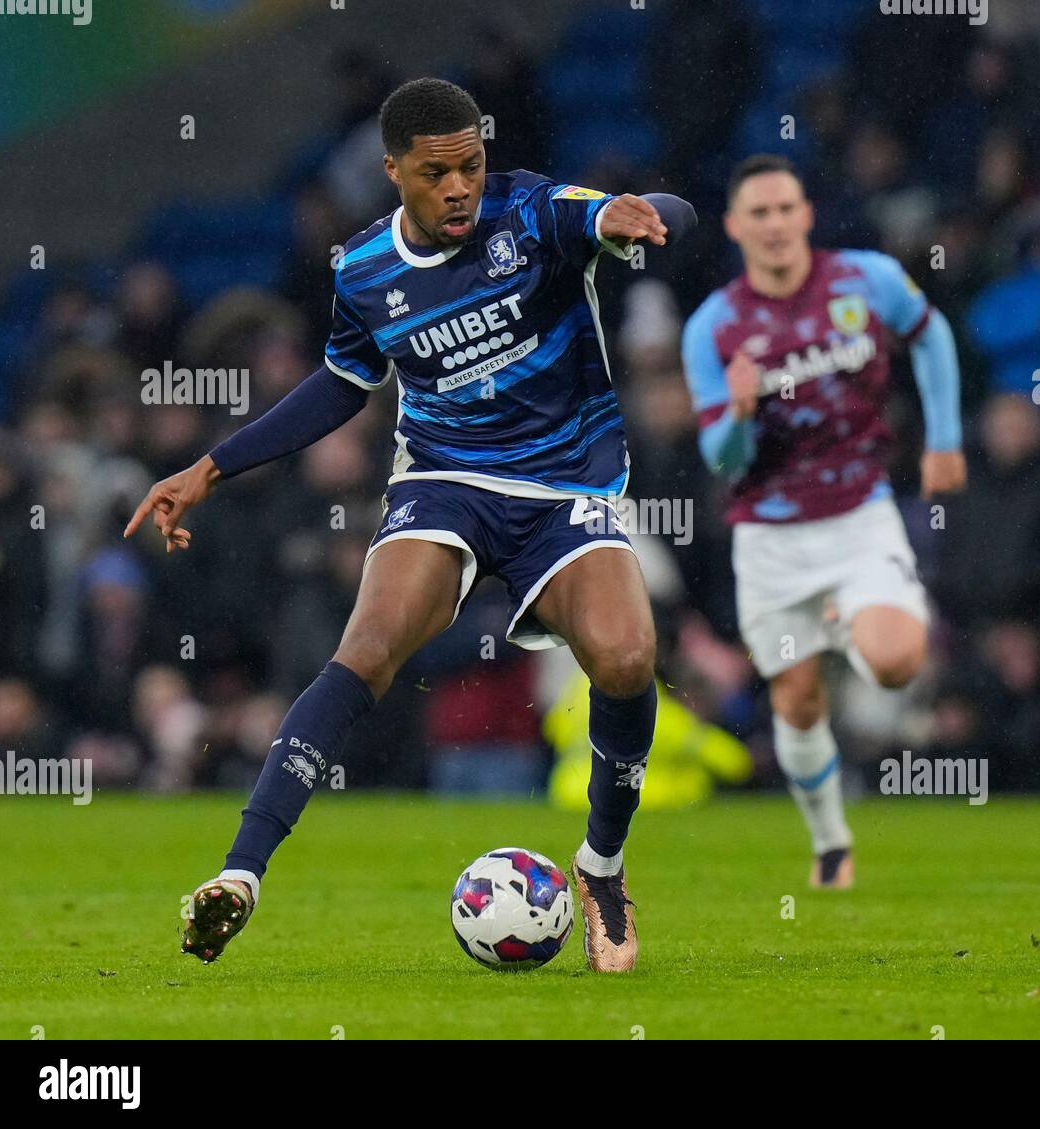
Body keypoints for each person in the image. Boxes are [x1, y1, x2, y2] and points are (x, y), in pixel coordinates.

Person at [124, 77, 696, 973]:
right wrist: (211, 466)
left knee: (627, 660)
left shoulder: (535, 210)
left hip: (563, 484)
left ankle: (603, 867)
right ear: (393, 172)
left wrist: (642, 213)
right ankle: (240, 873)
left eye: (471, 165)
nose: (462, 186)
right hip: (445, 481)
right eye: (438, 173)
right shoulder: (363, 271)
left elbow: (666, 212)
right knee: (368, 646)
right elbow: (340, 385)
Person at [681, 154, 964, 889]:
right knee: (798, 697)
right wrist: (741, 412)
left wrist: (943, 439)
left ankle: (850, 619)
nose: (775, 225)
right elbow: (721, 456)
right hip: (771, 535)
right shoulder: (714, 326)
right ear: (735, 226)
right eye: (759, 214)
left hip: (859, 514)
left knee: (898, 662)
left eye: (786, 209)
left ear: (806, 214)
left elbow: (930, 335)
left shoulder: (864, 280)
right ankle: (831, 842)